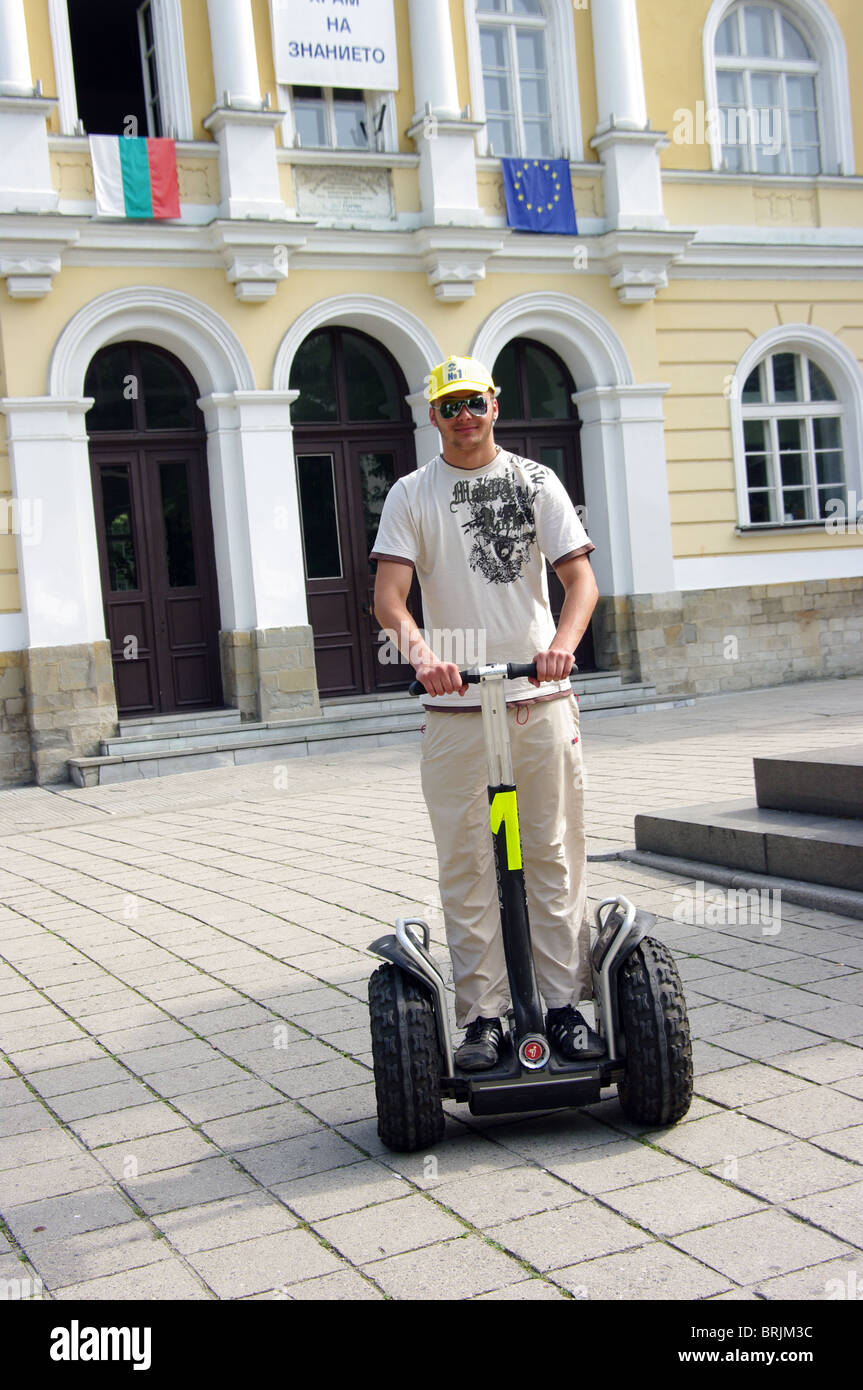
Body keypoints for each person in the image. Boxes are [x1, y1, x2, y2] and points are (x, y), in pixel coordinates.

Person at [371, 354, 602, 1071]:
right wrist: (420, 656)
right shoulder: (411, 493)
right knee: (467, 866)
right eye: (449, 406)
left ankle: (563, 1007)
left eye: (474, 402)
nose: (463, 416)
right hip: (455, 708)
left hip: (538, 698)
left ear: (494, 405)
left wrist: (562, 645)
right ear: (430, 414)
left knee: (550, 854)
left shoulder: (536, 482)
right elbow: (389, 598)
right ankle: (483, 1018)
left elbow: (579, 581)